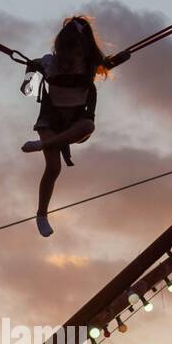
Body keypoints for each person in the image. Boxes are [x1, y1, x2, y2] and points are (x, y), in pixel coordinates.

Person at [20, 15, 109, 238]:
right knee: (53, 168)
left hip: (76, 122)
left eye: (74, 53)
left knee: (88, 126)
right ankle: (42, 214)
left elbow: (108, 63)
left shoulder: (88, 65)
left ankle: (43, 144)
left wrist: (122, 58)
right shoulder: (50, 62)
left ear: (82, 50)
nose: (68, 59)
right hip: (51, 121)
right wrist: (27, 80)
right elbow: (32, 63)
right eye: (64, 53)